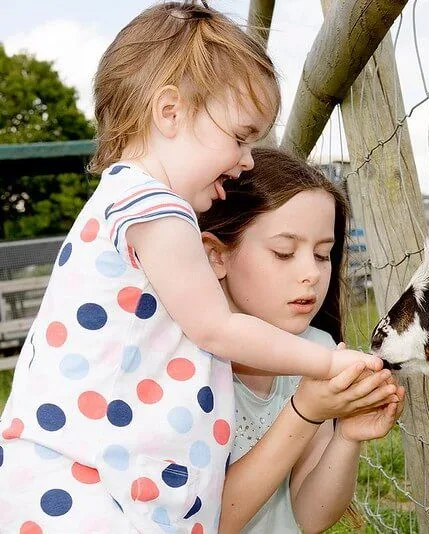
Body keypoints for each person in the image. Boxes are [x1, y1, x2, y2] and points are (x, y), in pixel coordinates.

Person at [0, 3, 382, 532]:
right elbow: (217, 328)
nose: (247, 159)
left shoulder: (124, 201)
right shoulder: (156, 207)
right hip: (78, 486)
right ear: (171, 112)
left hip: (85, 479)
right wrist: (328, 365)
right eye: (241, 136)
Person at [200, 148, 405, 533]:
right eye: (284, 253)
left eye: (323, 254)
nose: (310, 273)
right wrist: (305, 411)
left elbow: (310, 518)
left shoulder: (319, 348)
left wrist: (346, 435)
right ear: (216, 256)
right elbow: (208, 523)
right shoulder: (187, 366)